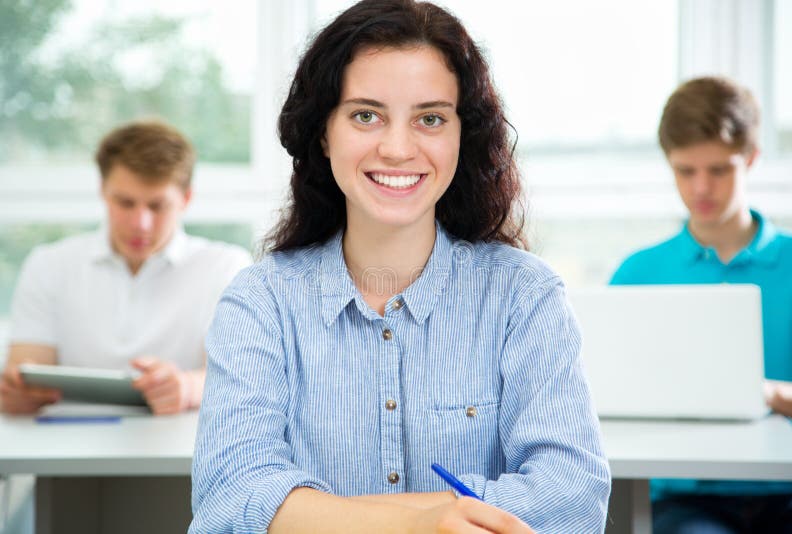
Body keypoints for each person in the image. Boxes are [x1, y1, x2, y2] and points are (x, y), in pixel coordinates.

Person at [190, 1, 610, 533]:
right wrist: (426, 523)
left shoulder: (525, 296)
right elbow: (230, 500)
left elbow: (572, 500)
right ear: (324, 132)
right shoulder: (260, 302)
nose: (396, 148)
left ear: (463, 135)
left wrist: (318, 516)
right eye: (366, 115)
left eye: (430, 119)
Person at [610, 76, 792, 533]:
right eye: (685, 171)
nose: (701, 188)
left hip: (791, 491)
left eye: (719, 170)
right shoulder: (637, 275)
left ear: (750, 159)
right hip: (683, 499)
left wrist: (769, 394)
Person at [0, 120, 252, 415]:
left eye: (157, 206)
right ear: (103, 191)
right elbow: (26, 371)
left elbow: (240, 378)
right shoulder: (49, 265)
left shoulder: (224, 267)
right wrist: (18, 394)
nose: (140, 224)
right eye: (125, 203)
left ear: (185, 199)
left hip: (176, 447)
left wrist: (187, 387)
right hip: (67, 445)